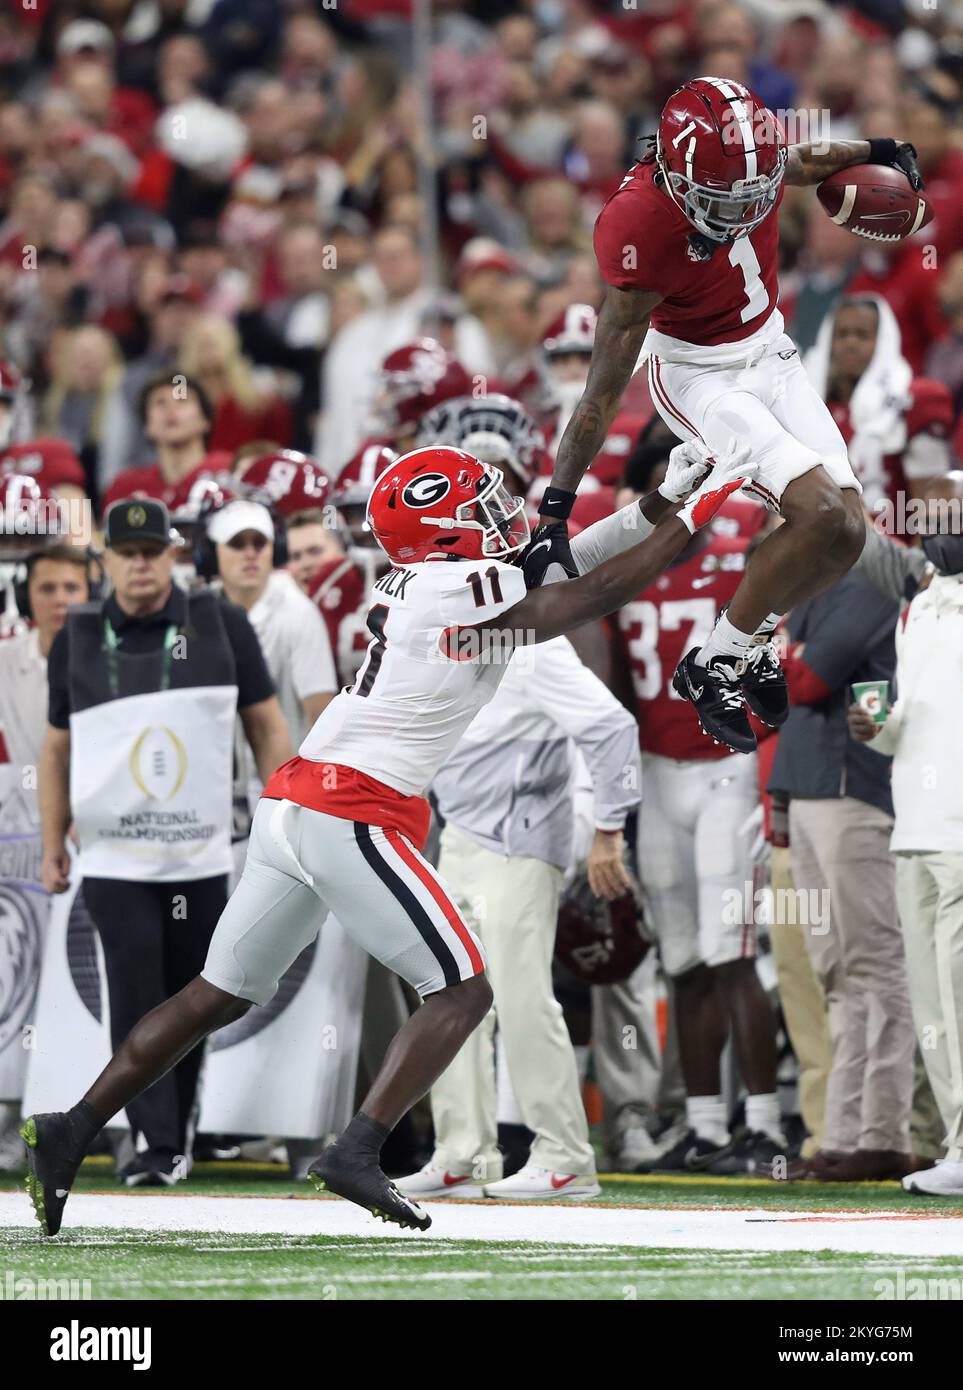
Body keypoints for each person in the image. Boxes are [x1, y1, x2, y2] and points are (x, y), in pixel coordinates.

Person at [21, 434, 756, 1236]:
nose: (499, 512)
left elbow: (564, 564)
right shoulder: (454, 589)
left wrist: (651, 505)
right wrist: (698, 511)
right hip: (350, 810)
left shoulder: (441, 584)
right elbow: (587, 592)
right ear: (442, 531)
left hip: (294, 806)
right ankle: (358, 1150)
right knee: (466, 991)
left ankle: (71, 1129)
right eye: (477, 505)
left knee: (212, 995)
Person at [526, 75, 924, 756]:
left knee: (849, 534)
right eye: (720, 200)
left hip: (772, 350)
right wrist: (555, 508)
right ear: (676, 178)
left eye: (752, 195)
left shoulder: (751, 164)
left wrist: (880, 146)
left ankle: (752, 640)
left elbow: (798, 164)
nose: (740, 213)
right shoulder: (635, 227)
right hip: (697, 374)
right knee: (819, 512)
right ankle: (713, 663)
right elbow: (599, 390)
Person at [36, 499, 292, 1187]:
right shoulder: (78, 634)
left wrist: (287, 815)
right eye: (129, 551)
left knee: (192, 998)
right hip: (115, 856)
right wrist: (52, 840)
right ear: (107, 560)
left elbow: (266, 726)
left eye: (154, 550)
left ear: (173, 554)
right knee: (133, 991)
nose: (142, 562)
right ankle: (153, 1143)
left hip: (200, 853)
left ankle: (172, 1134)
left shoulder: (218, 620)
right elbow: (56, 749)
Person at [398, 622, 641, 1202]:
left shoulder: (534, 645)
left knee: (521, 994)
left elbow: (613, 726)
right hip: (458, 835)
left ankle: (565, 1156)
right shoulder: (436, 635)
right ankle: (462, 1154)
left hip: (521, 841)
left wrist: (609, 829)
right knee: (450, 997)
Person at [613, 435, 783, 1174]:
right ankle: (706, 1125)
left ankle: (765, 1125)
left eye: (692, 485)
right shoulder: (624, 570)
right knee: (681, 959)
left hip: (725, 771)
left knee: (731, 952)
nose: (680, 501)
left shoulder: (740, 556)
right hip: (655, 773)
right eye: (664, 487)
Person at [767, 568, 916, 1182]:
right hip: (806, 787)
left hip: (852, 785)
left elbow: (799, 680)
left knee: (873, 964)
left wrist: (775, 652)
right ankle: (843, 1134)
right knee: (835, 969)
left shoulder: (866, 587)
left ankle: (883, 1133)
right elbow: (765, 687)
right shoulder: (810, 590)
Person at [847, 524, 963, 1196]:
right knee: (930, 1002)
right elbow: (905, 726)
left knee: (957, 996)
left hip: (958, 831)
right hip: (912, 826)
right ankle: (957, 1141)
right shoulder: (919, 601)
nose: (937, 533)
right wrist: (877, 724)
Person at [804, 295, 954, 517]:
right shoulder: (814, 407)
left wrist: (921, 552)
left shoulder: (915, 401)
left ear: (884, 341)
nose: (850, 343)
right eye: (842, 334)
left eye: (862, 335)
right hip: (826, 538)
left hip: (890, 540)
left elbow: (933, 511)